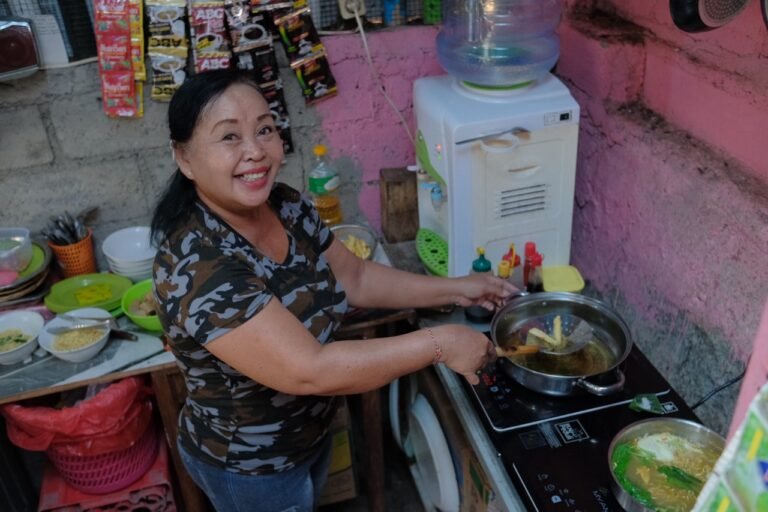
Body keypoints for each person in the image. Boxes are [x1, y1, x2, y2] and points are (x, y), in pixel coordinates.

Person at [150, 69, 515, 512]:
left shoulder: (284, 205)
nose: (255, 151)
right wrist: (441, 342)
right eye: (229, 137)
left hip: (311, 434)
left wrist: (455, 289)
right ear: (184, 158)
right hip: (253, 468)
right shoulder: (199, 263)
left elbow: (355, 278)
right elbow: (310, 369)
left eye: (264, 129)